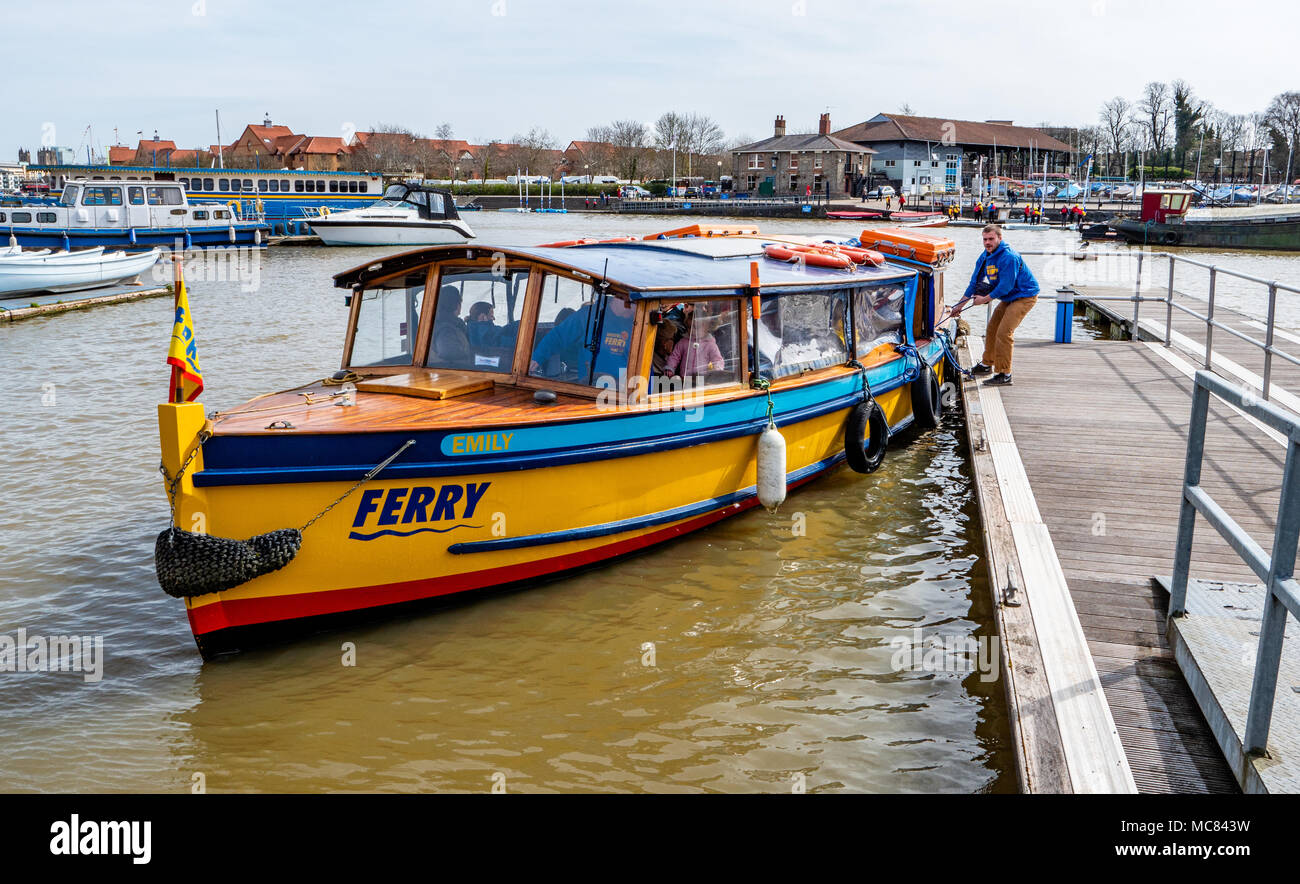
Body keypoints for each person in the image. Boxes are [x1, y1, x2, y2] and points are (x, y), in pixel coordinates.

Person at [965, 225, 1039, 387]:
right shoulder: (985, 256)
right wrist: (960, 304)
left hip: (1025, 295)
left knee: (1004, 332)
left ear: (1000, 238)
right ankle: (986, 365)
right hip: (1009, 297)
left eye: (991, 239)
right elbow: (974, 282)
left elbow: (1005, 285)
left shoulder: (1009, 257)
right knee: (992, 328)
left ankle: (1005, 374)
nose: (987, 242)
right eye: (985, 239)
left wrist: (984, 299)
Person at [431, 287, 471, 366]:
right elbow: (447, 352)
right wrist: (473, 357)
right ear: (457, 305)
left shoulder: (440, 323)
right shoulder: (446, 329)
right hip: (456, 373)